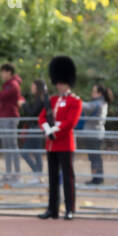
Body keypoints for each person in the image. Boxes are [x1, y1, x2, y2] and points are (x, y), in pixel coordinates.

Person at [37, 56, 84, 219]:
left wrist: (54, 130)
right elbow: (42, 117)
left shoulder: (75, 101)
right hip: (51, 144)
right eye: (57, 82)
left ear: (67, 83)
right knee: (52, 179)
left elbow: (70, 122)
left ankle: (70, 209)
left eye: (61, 82)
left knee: (68, 178)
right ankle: (52, 209)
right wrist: (47, 129)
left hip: (65, 143)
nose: (58, 85)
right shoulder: (52, 100)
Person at [0, 62, 23, 186]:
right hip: (3, 118)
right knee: (6, 147)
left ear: (9, 72)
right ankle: (8, 173)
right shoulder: (8, 84)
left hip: (10, 119)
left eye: (3, 72)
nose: (1, 74)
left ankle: (17, 174)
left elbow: (1, 97)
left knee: (12, 146)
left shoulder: (12, 85)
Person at [81, 83, 112, 184]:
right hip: (94, 133)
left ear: (99, 93)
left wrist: (75, 100)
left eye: (94, 91)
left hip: (93, 134)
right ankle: (97, 177)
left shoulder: (99, 103)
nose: (92, 93)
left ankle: (97, 178)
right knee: (95, 157)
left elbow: (86, 106)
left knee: (95, 157)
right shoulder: (100, 102)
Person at [21, 79, 48, 175]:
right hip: (38, 128)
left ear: (37, 87)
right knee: (37, 152)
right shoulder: (42, 98)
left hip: (36, 128)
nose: (31, 88)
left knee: (25, 152)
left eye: (32, 86)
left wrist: (23, 105)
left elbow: (32, 113)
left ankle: (37, 173)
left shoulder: (40, 99)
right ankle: (38, 175)